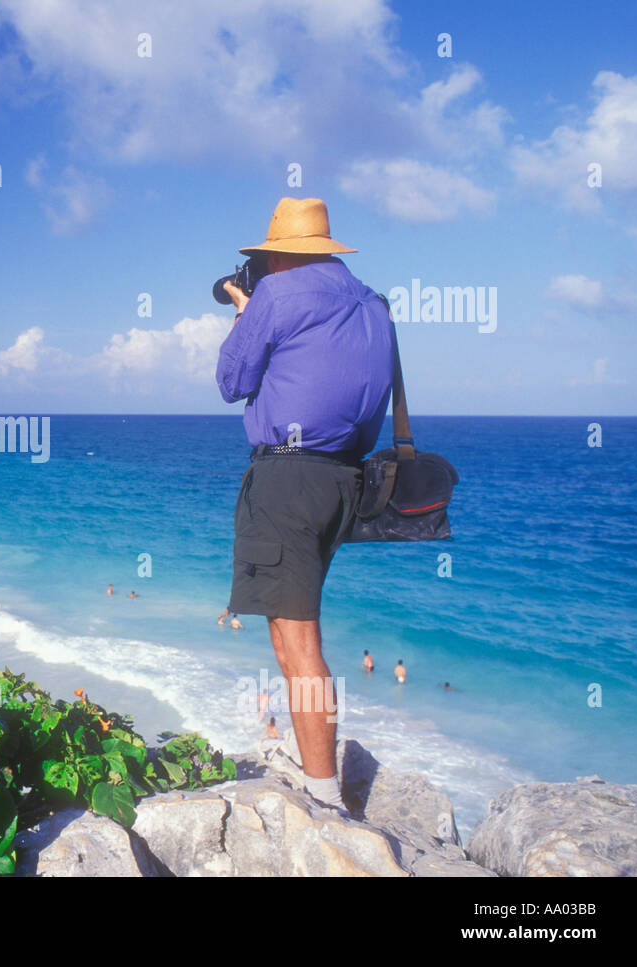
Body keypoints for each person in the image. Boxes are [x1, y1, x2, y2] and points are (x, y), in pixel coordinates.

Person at [215, 197, 394, 815]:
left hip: (287, 481)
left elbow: (232, 382)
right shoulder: (375, 305)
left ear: (276, 256)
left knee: (298, 645)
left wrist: (244, 311)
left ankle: (325, 799)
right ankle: (314, 763)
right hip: (344, 482)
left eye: (262, 259)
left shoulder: (277, 296)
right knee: (294, 635)